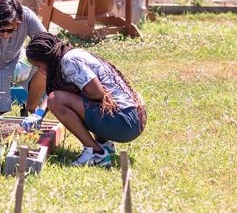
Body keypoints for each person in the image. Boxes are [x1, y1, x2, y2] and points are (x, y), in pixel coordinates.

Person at [24, 32, 146, 167]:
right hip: (132, 118)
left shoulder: (70, 62)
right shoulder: (70, 55)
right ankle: (103, 144)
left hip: (123, 122)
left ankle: (96, 153)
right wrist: (39, 113)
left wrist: (71, 96)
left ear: (48, 58)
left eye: (40, 66)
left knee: (56, 101)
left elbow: (97, 93)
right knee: (63, 97)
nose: (40, 71)